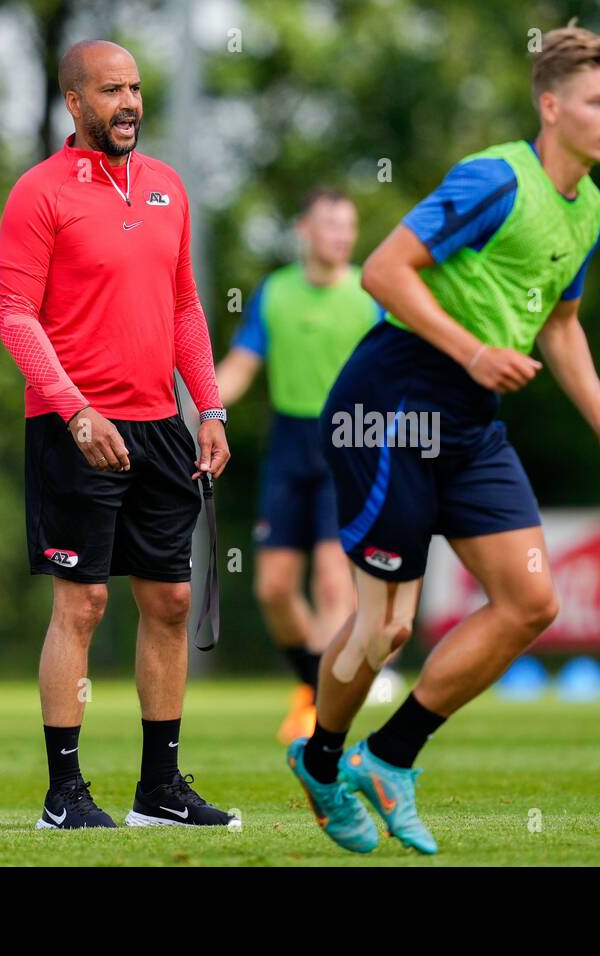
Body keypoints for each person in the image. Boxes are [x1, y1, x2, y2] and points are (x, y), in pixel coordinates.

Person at [286, 23, 600, 854]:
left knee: (532, 603)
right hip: (391, 403)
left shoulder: (588, 207)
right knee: (384, 629)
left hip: (470, 423)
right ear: (551, 105)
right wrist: (474, 350)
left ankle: (391, 757)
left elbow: (561, 327)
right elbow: (383, 269)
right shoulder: (495, 178)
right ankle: (320, 760)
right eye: (599, 101)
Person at [0, 39, 234, 829]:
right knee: (85, 602)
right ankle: (63, 797)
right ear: (74, 102)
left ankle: (158, 792)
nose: (129, 103)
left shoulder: (168, 186)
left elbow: (185, 309)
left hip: (161, 425)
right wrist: (75, 408)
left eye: (135, 88)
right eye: (110, 91)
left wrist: (210, 407)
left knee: (169, 597)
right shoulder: (39, 192)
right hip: (74, 428)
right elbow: (15, 317)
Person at [215, 189, 381, 743]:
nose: (342, 236)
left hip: (351, 440)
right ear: (305, 229)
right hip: (288, 444)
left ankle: (319, 714)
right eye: (331, 225)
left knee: (336, 583)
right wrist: (198, 408)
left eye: (349, 227)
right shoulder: (275, 291)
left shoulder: (370, 292)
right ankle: (316, 688)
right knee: (273, 588)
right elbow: (240, 365)